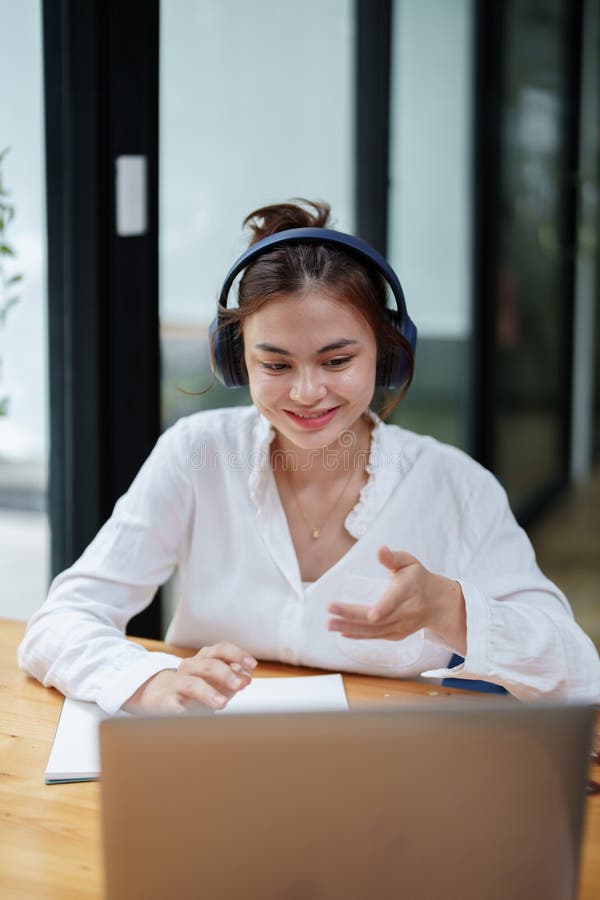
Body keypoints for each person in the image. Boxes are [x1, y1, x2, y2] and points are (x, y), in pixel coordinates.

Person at [18, 199, 600, 713]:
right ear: (235, 360)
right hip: (218, 768)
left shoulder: (455, 486)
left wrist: (451, 608)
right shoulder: (197, 454)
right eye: (275, 365)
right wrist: (148, 681)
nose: (305, 393)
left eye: (337, 361)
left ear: (387, 355)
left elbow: (580, 678)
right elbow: (59, 623)